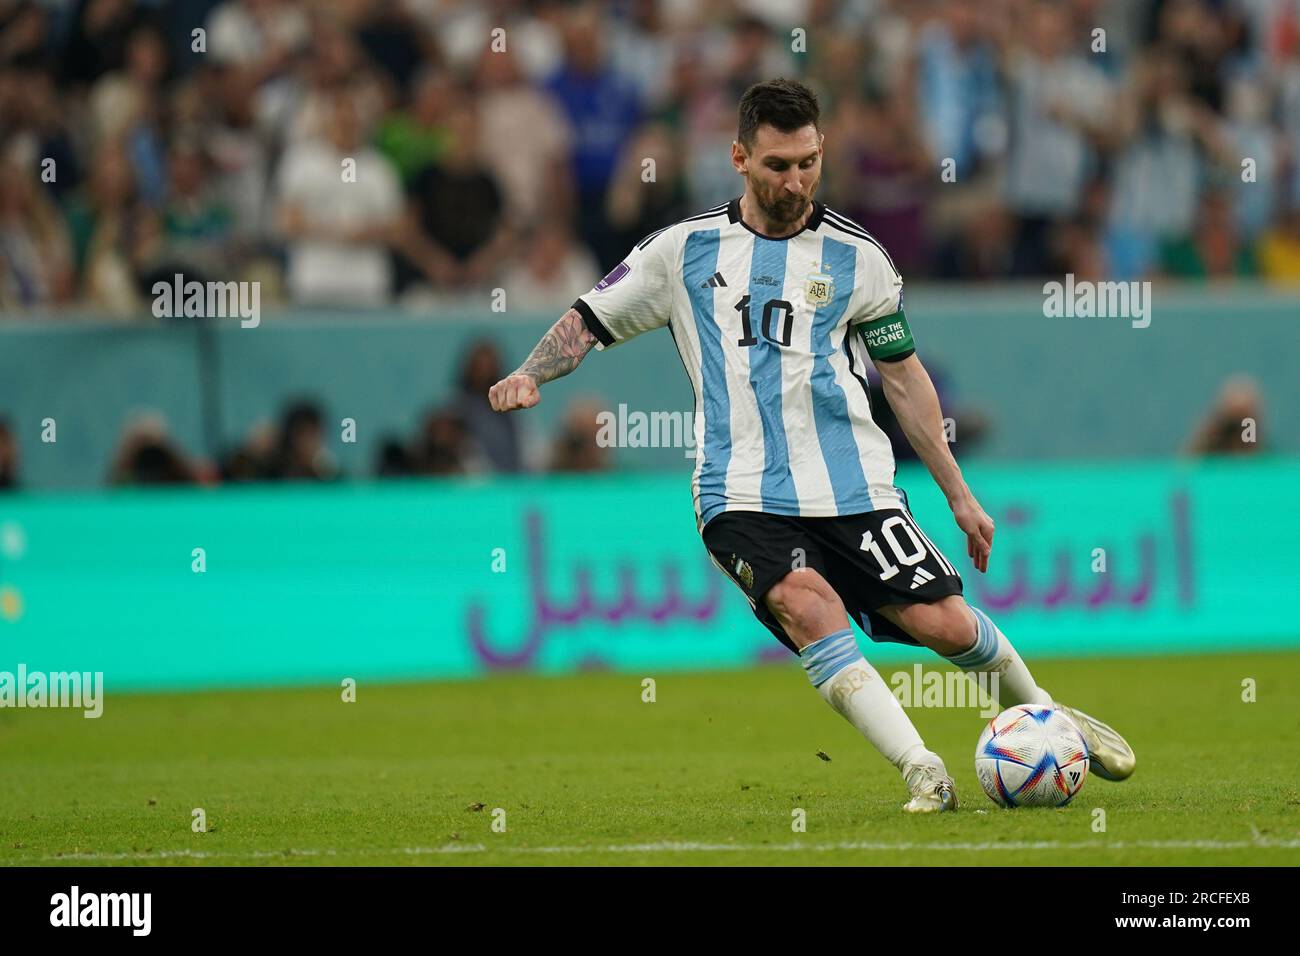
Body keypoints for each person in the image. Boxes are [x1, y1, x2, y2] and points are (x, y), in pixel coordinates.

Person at [487, 78, 1135, 813]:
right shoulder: (682, 251)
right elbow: (589, 319)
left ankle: (1047, 714)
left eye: (807, 163)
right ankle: (923, 768)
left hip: (853, 485)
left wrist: (959, 493)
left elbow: (905, 379)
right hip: (738, 492)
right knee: (807, 604)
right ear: (738, 157)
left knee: (942, 622)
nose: (795, 182)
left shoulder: (860, 259)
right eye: (776, 166)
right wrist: (530, 373)